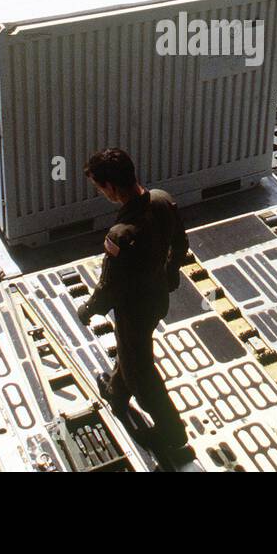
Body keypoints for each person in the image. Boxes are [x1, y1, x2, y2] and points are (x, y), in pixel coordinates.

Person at [76, 148, 189, 454]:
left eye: (100, 188)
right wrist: (170, 272)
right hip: (157, 299)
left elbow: (109, 286)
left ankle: (172, 432)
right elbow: (180, 244)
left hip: (133, 310)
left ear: (111, 187)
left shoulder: (120, 234)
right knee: (131, 353)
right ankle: (115, 392)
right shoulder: (163, 200)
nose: (101, 193)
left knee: (141, 372)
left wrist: (87, 309)